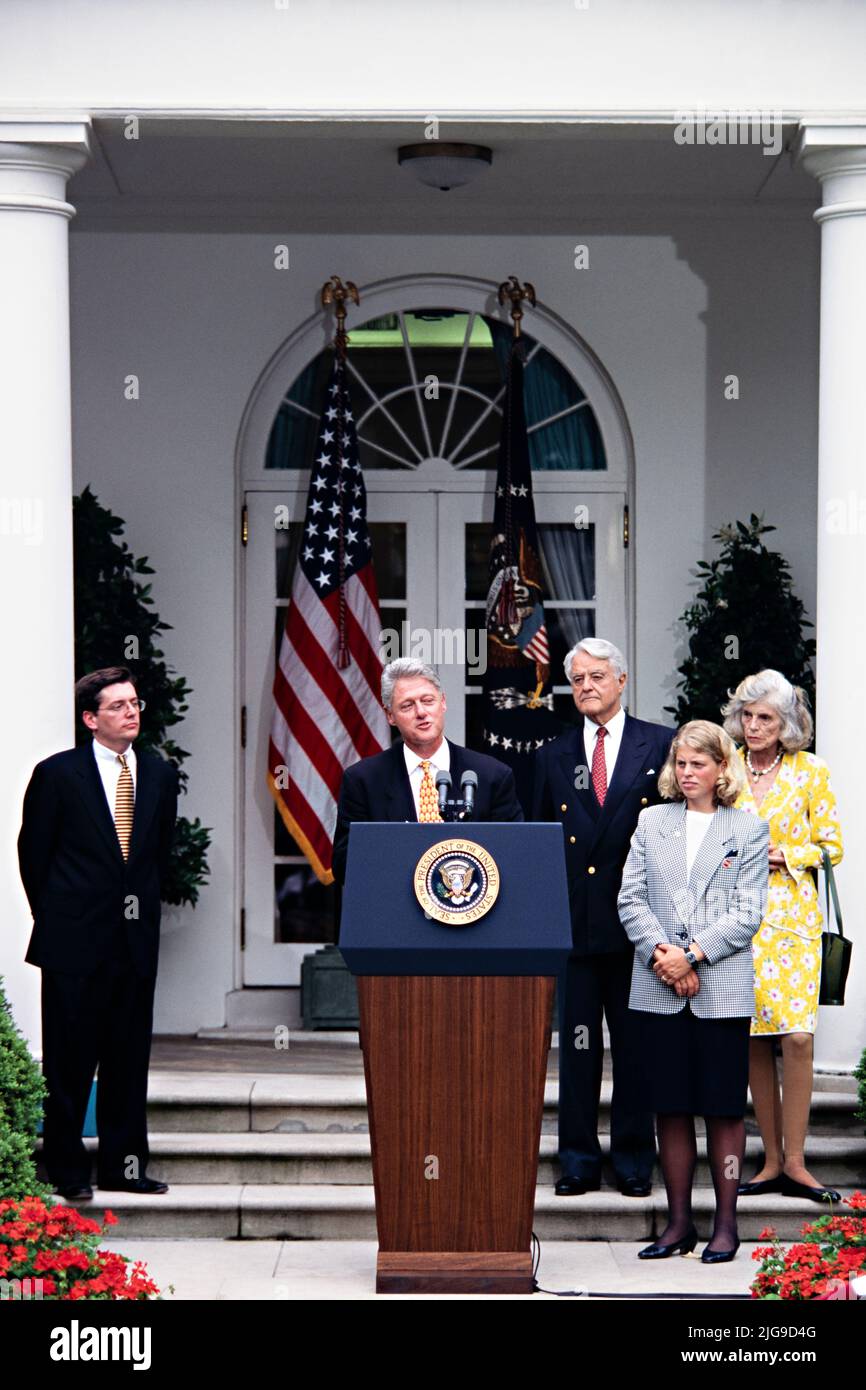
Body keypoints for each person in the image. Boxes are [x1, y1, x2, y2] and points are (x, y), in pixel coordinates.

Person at [17, 667, 178, 1202]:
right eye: (118, 706)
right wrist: (59, 918)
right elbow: (34, 855)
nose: (131, 712)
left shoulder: (159, 775)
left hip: (134, 943)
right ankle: (67, 1170)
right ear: (90, 718)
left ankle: (123, 1168)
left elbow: (158, 856)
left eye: (135, 703)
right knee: (69, 1060)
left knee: (128, 1060)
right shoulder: (57, 775)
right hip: (73, 942)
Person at [617, 720, 769, 1262]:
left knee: (723, 1109)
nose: (686, 773)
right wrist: (666, 958)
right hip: (658, 983)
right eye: (679, 763)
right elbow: (630, 898)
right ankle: (678, 1224)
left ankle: (725, 1225)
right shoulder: (651, 820)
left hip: (720, 986)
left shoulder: (747, 829)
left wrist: (693, 955)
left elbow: (748, 912)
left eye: (697, 764)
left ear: (721, 768)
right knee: (671, 1107)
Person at [532, 638, 674, 1198]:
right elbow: (540, 843)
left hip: (641, 929)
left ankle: (635, 1160)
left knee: (635, 1049)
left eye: (596, 676)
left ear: (622, 680)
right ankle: (577, 1161)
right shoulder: (553, 754)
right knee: (578, 1049)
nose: (586, 686)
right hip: (573, 927)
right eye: (577, 679)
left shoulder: (660, 744)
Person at [722, 670, 844, 1204]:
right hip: (737, 916)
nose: (753, 726)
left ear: (787, 723)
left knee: (796, 1036)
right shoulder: (727, 768)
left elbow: (832, 846)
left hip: (793, 916)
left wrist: (786, 854)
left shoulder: (810, 770)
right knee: (753, 1036)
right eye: (747, 716)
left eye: (765, 718)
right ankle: (771, 1160)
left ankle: (797, 1160)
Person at [332, 657, 523, 886]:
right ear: (390, 715)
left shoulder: (492, 776)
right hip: (394, 902)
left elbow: (515, 857)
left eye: (427, 700)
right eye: (407, 705)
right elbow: (344, 866)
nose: (421, 712)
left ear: (443, 702)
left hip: (471, 901)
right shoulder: (363, 780)